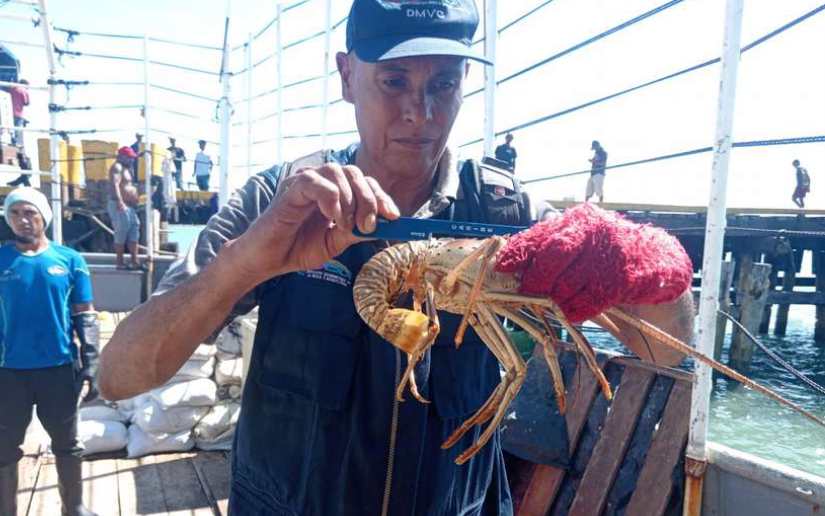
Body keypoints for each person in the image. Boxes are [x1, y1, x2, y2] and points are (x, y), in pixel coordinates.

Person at [98, 1, 695, 514]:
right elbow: (122, 375)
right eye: (394, 81)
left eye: (444, 83)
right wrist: (247, 261)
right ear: (346, 74)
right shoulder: (272, 202)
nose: (421, 112)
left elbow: (664, 356)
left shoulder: (509, 218)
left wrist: (654, 275)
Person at [0, 188, 100, 516]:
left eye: (30, 213)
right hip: (8, 371)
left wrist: (91, 361)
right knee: (4, 448)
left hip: (57, 368)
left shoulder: (70, 260)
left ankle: (74, 508)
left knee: (68, 445)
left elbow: (84, 311)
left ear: (45, 216)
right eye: (15, 214)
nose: (22, 221)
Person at [107, 147, 141, 270]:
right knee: (121, 232)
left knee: (134, 229)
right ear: (121, 156)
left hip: (130, 206)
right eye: (129, 157)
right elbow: (115, 184)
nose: (132, 160)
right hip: (119, 205)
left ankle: (134, 260)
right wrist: (120, 201)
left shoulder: (128, 169)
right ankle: (120, 262)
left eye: (132, 158)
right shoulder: (117, 167)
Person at [9, 79, 29, 147]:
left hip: (9, 112)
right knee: (17, 128)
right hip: (18, 113)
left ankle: (11, 139)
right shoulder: (24, 91)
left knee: (9, 127)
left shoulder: (12, 89)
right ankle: (15, 142)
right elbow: (26, 103)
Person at [161, 151, 179, 222]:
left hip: (170, 182)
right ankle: (168, 216)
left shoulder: (169, 164)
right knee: (168, 196)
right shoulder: (166, 162)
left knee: (170, 197)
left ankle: (169, 216)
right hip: (167, 182)